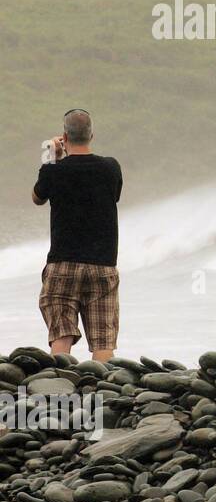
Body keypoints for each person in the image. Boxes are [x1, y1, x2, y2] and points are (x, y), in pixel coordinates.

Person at [31, 109, 124, 362]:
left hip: (63, 264)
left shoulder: (54, 170)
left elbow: (37, 197)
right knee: (103, 339)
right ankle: (105, 395)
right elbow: (114, 195)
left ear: (64, 136)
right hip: (102, 265)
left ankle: (58, 388)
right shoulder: (110, 167)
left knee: (61, 333)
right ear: (91, 135)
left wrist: (51, 155)